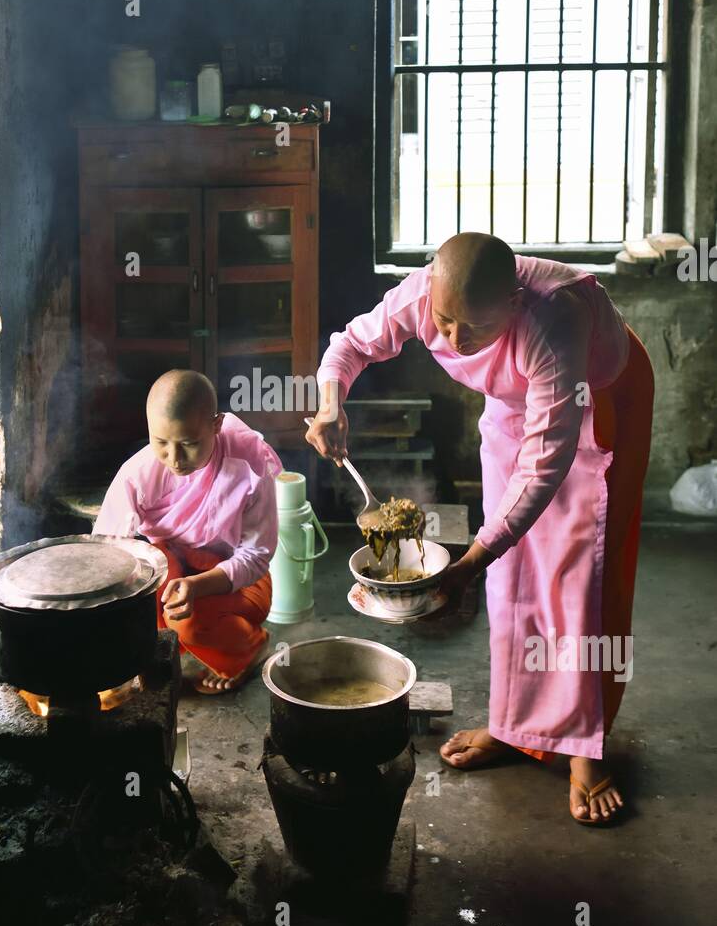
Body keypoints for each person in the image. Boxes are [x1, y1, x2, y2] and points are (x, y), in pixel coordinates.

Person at [307, 233, 654, 824]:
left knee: (575, 575)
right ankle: (515, 726)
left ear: (514, 303)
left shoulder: (554, 319)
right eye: (443, 320)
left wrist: (468, 560)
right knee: (511, 575)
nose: (452, 338)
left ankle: (580, 749)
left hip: (597, 399)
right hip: (516, 402)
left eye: (472, 328)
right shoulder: (424, 294)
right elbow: (350, 344)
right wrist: (331, 401)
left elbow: (546, 464)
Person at [93, 369, 281, 693]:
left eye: (190, 444)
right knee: (145, 577)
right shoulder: (137, 474)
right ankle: (163, 649)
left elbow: (257, 556)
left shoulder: (248, 464)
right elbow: (107, 552)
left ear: (216, 425)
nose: (175, 459)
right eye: (161, 443)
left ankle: (251, 647)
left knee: (185, 621)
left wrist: (197, 586)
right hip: (177, 566)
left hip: (241, 582)